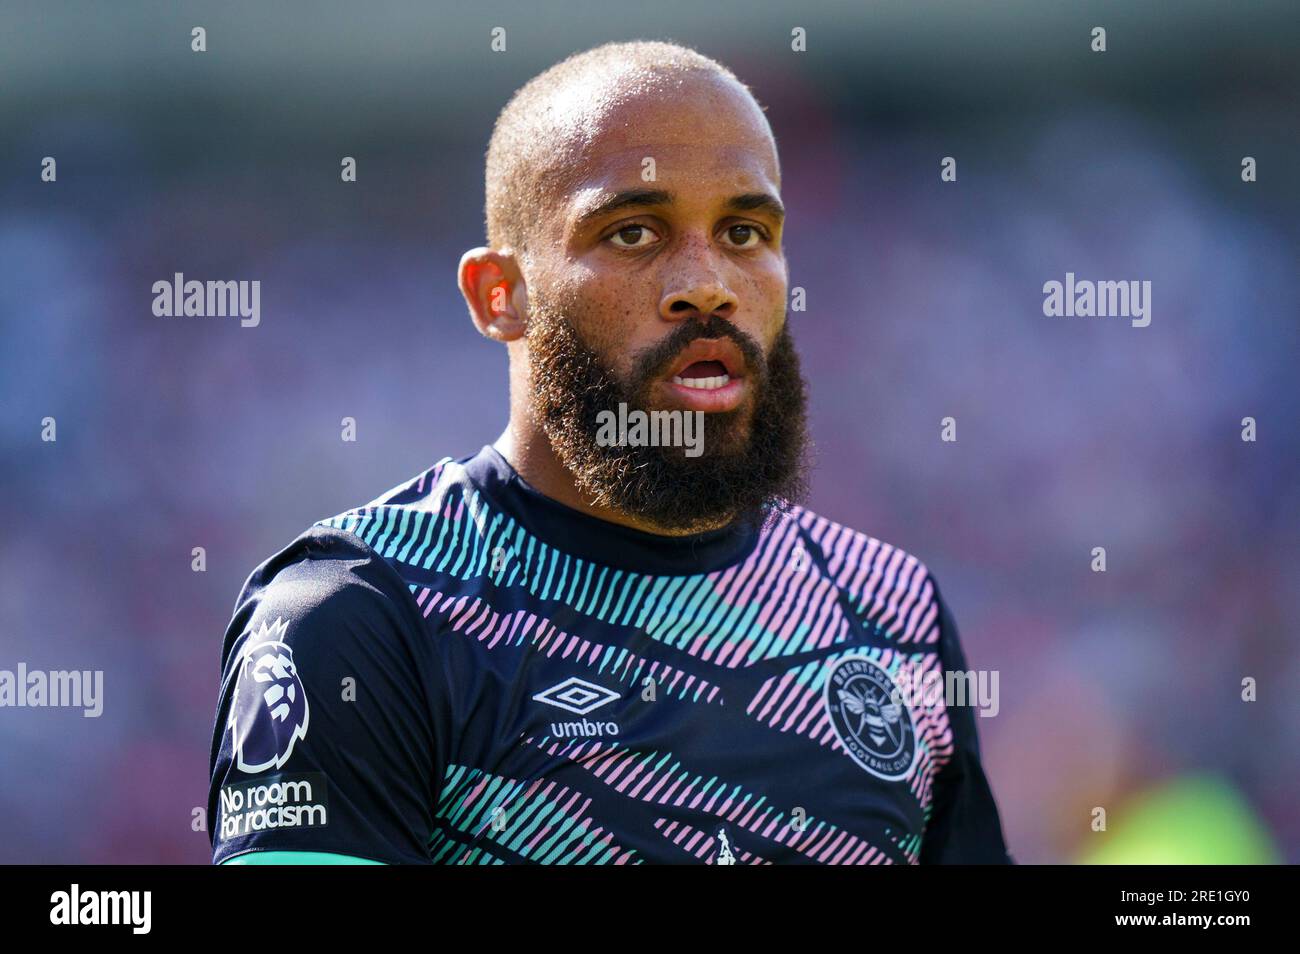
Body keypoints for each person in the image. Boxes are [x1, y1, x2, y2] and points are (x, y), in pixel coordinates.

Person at [207, 40, 1011, 865]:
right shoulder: (360, 616)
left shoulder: (894, 611)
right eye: (633, 232)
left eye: (744, 231)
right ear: (500, 295)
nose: (708, 283)